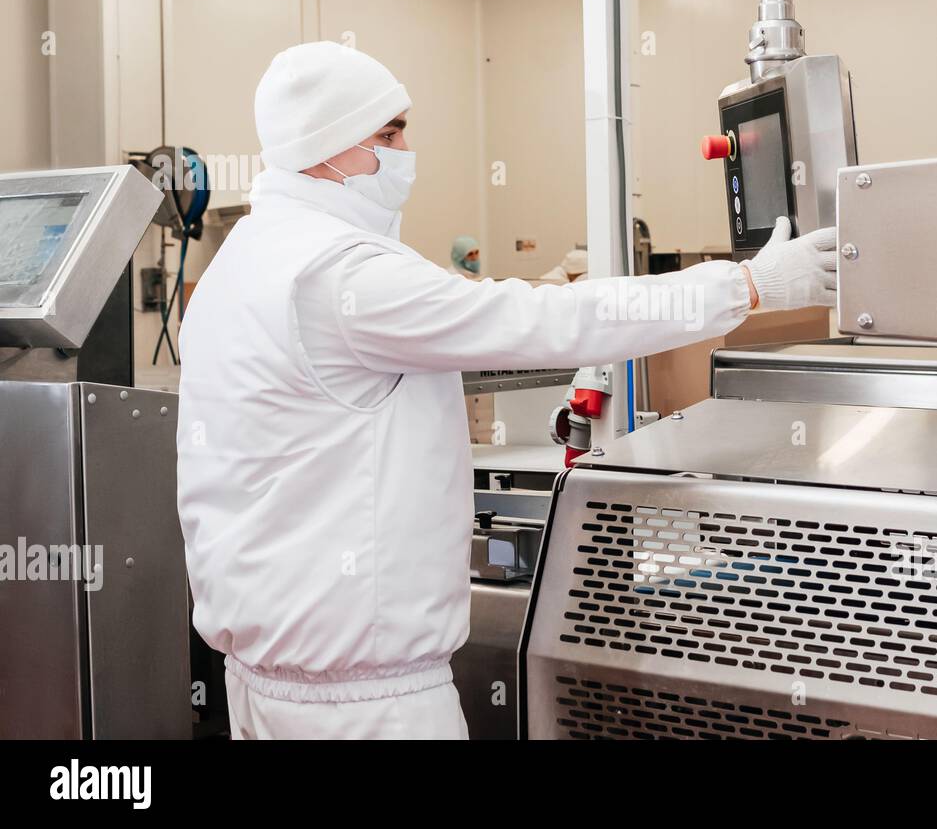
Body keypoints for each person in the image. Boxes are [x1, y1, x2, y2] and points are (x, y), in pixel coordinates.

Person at [176, 41, 837, 739]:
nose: (406, 152)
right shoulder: (340, 276)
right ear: (327, 147)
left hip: (257, 684)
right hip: (366, 705)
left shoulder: (243, 260)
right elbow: (542, 320)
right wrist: (749, 285)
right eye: (389, 134)